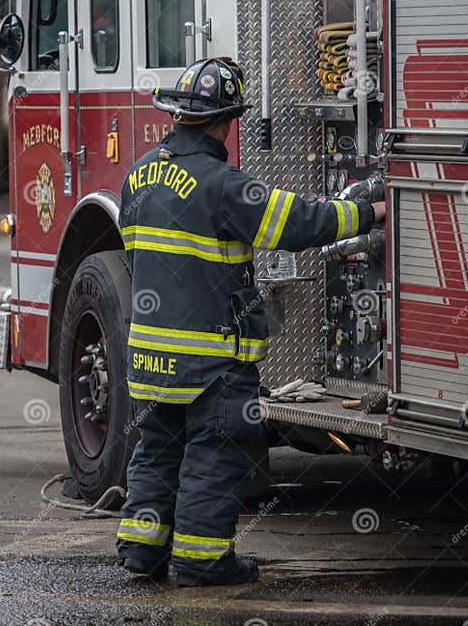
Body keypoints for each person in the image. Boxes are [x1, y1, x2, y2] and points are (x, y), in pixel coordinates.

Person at [116, 57, 386, 587]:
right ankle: (202, 561)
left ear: (178, 115)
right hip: (211, 362)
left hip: (148, 357)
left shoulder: (137, 177)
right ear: (228, 120)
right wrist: (371, 213)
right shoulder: (222, 184)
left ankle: (141, 554)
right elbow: (303, 224)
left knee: (156, 452)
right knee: (214, 456)